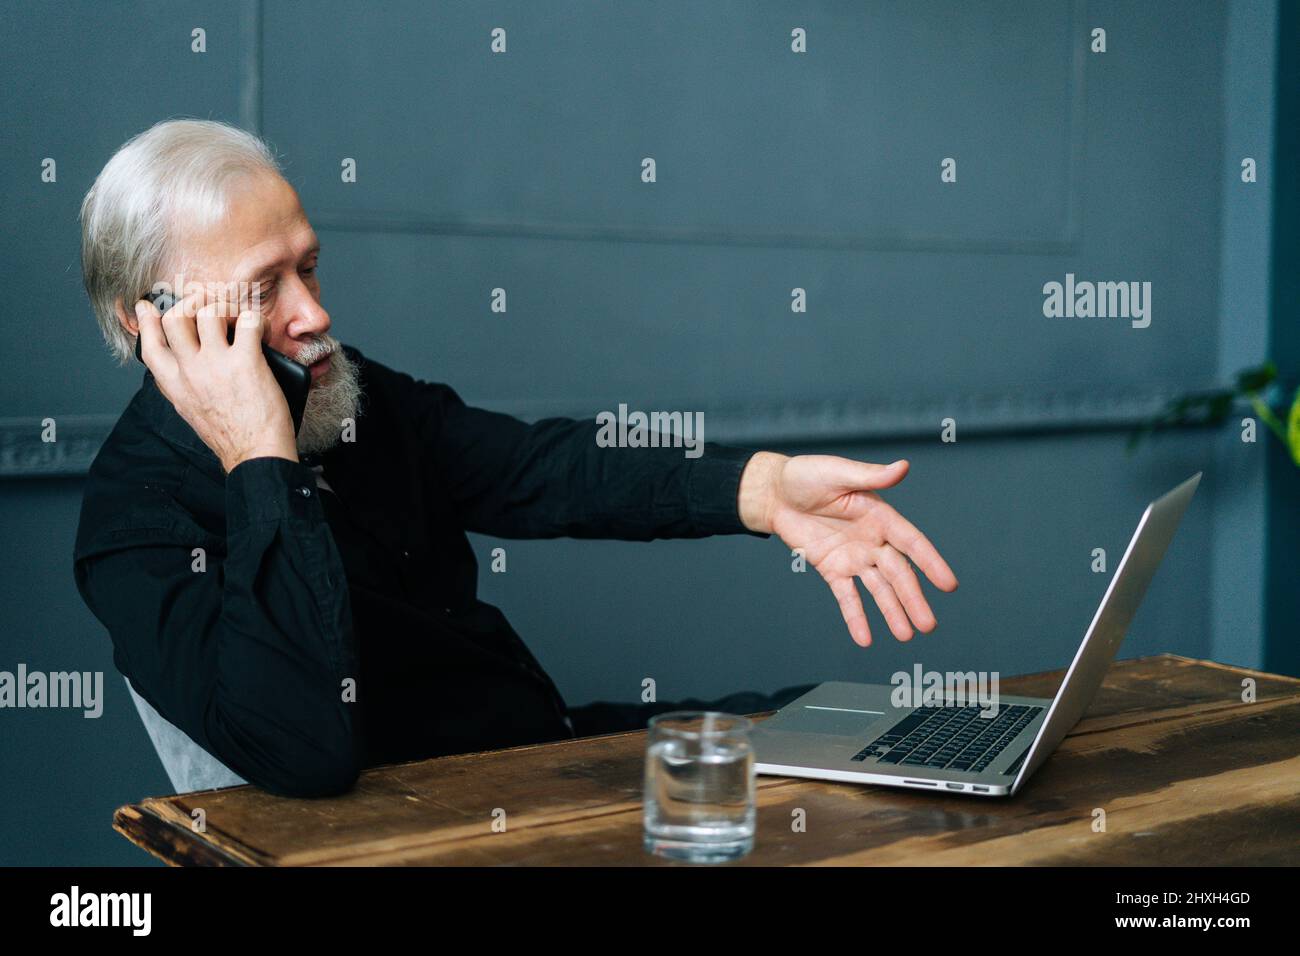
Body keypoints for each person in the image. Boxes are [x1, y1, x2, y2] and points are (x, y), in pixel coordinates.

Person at [73, 119, 958, 797]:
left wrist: (760, 490)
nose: (312, 316)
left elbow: (543, 467)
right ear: (147, 321)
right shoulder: (134, 524)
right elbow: (304, 751)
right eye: (266, 289)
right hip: (450, 822)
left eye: (311, 268)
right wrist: (260, 459)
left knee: (881, 730)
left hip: (549, 750)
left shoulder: (341, 388)